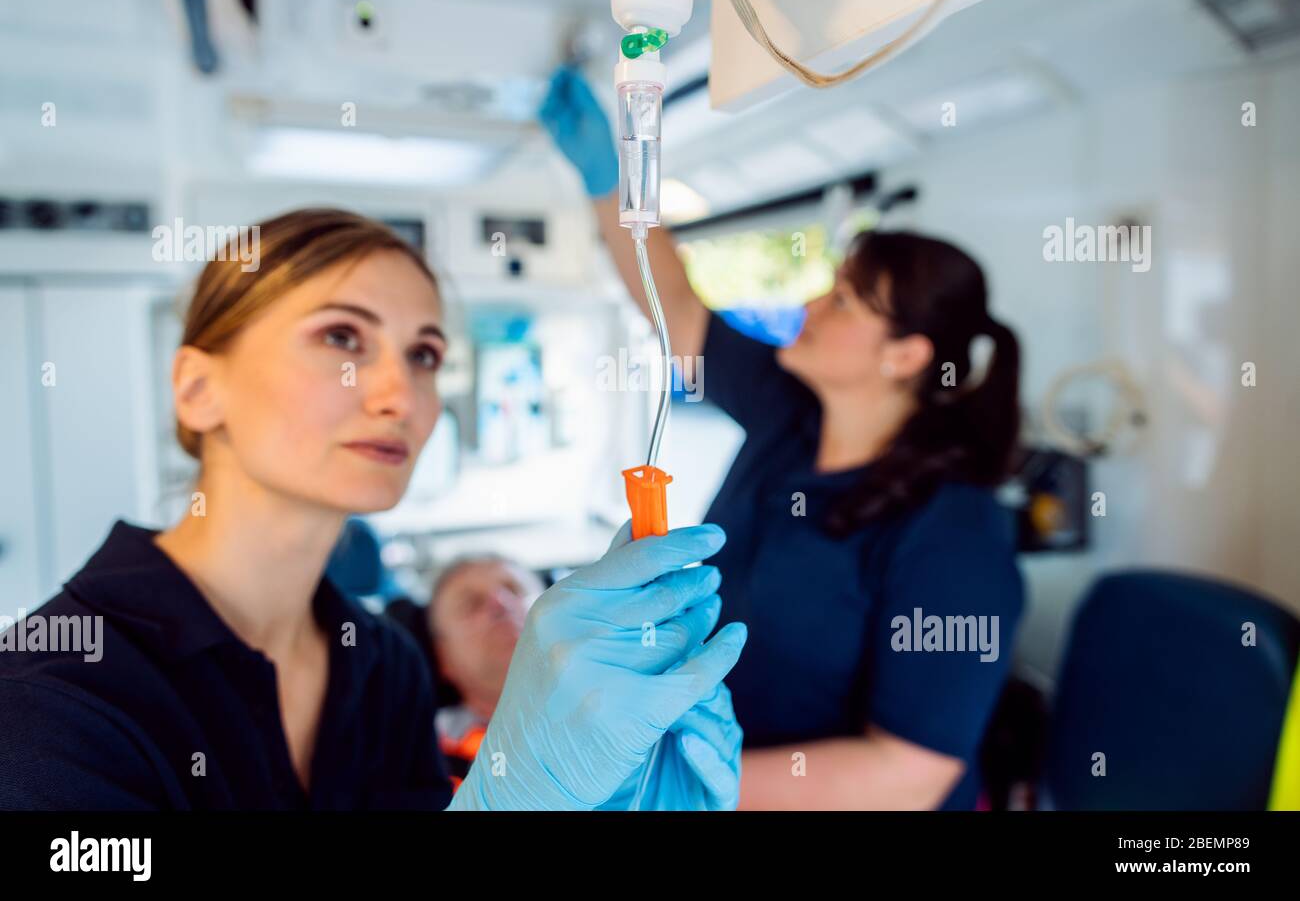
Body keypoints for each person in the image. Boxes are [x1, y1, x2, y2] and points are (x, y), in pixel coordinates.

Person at [0, 208, 746, 811]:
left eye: (423, 353)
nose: (400, 395)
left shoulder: (382, 665)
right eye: (342, 336)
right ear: (199, 387)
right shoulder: (49, 701)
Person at [541, 66, 1025, 809]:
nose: (808, 303)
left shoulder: (955, 533)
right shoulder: (788, 416)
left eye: (842, 301)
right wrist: (615, 181)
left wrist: (685, 784)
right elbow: (671, 301)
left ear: (905, 356)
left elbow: (906, 772)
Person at [381, 555, 545, 788]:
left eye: (514, 589)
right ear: (442, 656)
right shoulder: (416, 757)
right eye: (472, 604)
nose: (501, 603)